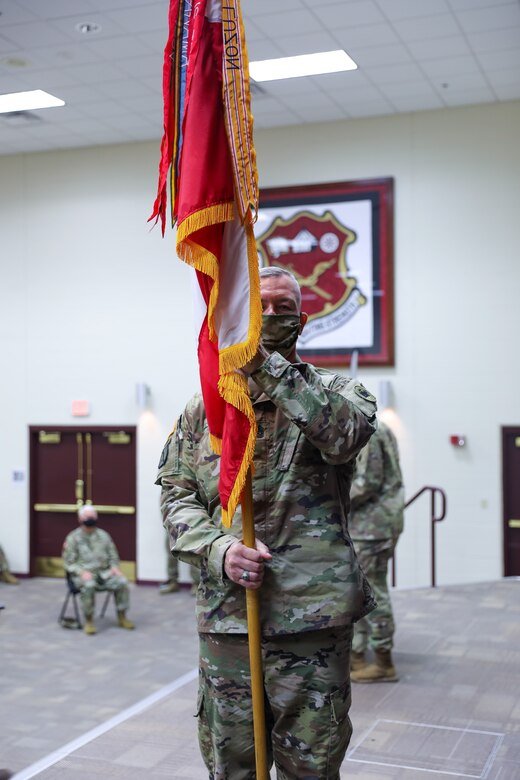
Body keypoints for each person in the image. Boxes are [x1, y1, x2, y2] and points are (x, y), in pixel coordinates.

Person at [157, 266, 378, 779]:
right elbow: (176, 496)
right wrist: (219, 549)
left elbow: (342, 437)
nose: (272, 316)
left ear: (303, 321)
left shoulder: (340, 390)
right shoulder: (207, 411)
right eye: (261, 307)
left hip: (312, 620)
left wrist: (264, 367)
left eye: (283, 308)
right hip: (229, 617)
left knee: (312, 763)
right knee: (231, 760)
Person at [349, 420, 405, 683]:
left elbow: (367, 482)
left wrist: (327, 497)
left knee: (373, 589)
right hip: (372, 524)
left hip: (373, 526)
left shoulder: (369, 431)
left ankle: (384, 661)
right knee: (361, 589)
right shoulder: (377, 427)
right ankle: (357, 654)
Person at [62, 506, 135, 635]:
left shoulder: (104, 536)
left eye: (92, 516)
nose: (90, 519)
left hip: (104, 573)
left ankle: (122, 617)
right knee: (89, 585)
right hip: (83, 575)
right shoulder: (73, 538)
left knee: (122, 582)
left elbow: (114, 556)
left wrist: (114, 568)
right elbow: (69, 563)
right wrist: (81, 572)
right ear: (80, 519)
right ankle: (89, 621)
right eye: (87, 517)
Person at [158, 530, 200, 595]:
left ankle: (197, 584)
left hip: (191, 523)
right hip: (172, 523)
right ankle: (173, 582)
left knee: (193, 551)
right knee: (171, 552)